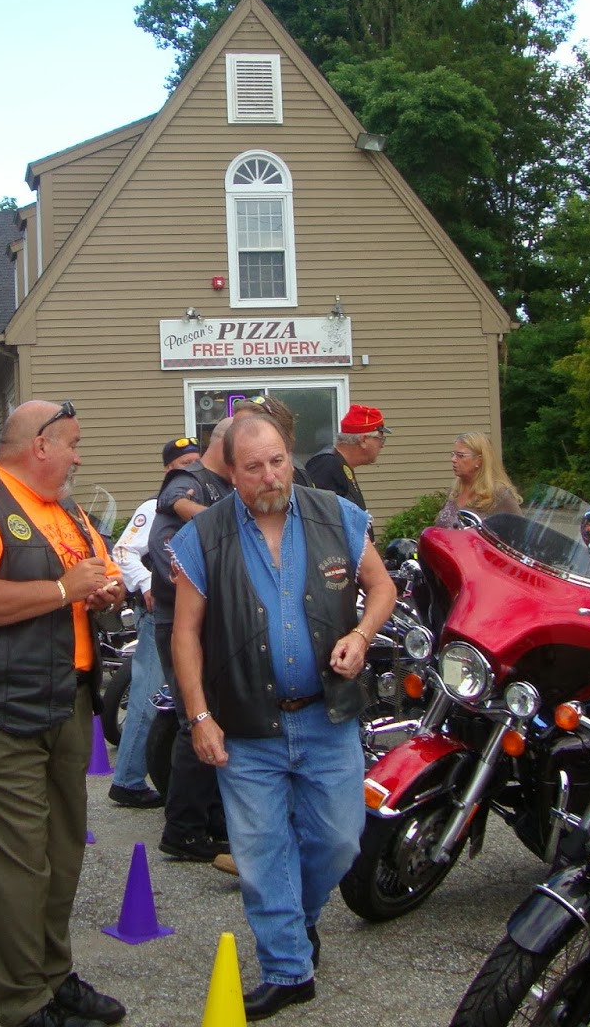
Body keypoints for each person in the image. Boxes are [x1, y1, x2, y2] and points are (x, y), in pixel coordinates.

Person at [170, 414, 397, 1020]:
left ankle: (296, 922)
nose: (270, 476)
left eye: (277, 461)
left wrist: (361, 632)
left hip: (328, 718)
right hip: (246, 725)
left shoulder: (336, 514)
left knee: (339, 842)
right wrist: (198, 717)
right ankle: (288, 969)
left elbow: (382, 588)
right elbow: (186, 634)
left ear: (290, 456)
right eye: (253, 467)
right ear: (231, 470)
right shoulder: (203, 535)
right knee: (262, 849)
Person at [0, 400, 127, 1027]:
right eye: (72, 443)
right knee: (10, 865)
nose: (78, 456)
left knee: (60, 855)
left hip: (63, 703)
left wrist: (106, 590)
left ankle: (53, 977)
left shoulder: (68, 511)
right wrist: (65, 590)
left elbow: (103, 576)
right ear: (40, 445)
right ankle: (23, 1003)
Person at [147, 419, 236, 864]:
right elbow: (171, 498)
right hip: (177, 619)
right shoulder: (191, 479)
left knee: (217, 719)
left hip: (212, 622)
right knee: (193, 721)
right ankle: (182, 829)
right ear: (225, 444)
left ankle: (215, 822)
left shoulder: (225, 484)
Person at [105, 435, 203, 809]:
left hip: (187, 612)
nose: (190, 470)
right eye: (182, 465)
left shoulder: (204, 503)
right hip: (159, 611)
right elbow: (123, 550)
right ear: (167, 471)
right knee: (150, 693)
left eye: (196, 462)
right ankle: (128, 779)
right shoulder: (155, 507)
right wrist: (147, 582)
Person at [305, 404, 389, 511]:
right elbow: (315, 514)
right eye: (379, 439)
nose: (381, 445)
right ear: (363, 440)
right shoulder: (327, 465)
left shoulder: (340, 464)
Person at [436, 431, 521, 528]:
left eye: (460, 455)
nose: (454, 459)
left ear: (479, 460)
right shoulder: (454, 492)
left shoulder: (499, 494)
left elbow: (520, 533)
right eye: (453, 454)